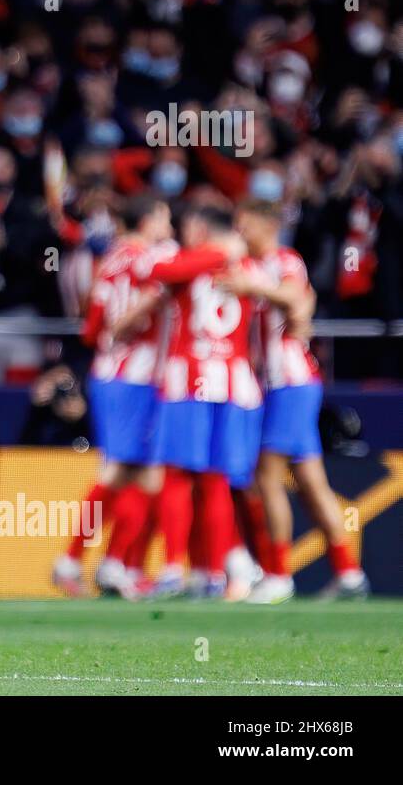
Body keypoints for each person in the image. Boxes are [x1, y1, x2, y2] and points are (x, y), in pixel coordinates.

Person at [225, 200, 369, 602]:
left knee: (266, 476)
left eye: (245, 221)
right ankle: (349, 573)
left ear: (267, 224)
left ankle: (277, 575)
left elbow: (297, 298)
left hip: (289, 381)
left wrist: (263, 291)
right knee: (309, 481)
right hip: (277, 383)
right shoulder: (248, 265)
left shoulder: (283, 260)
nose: (240, 230)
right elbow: (298, 307)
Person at [54, 195, 174, 599]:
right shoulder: (152, 260)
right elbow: (123, 320)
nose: (169, 228)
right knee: (128, 472)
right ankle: (82, 561)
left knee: (135, 473)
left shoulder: (111, 259)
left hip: (108, 374)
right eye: (165, 218)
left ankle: (114, 565)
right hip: (136, 376)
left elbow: (90, 329)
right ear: (151, 218)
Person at [140, 206, 259, 599]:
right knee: (216, 479)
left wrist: (212, 251)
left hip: (189, 378)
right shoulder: (244, 265)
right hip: (231, 380)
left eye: (187, 225)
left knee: (177, 476)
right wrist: (226, 251)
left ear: (201, 227)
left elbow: (159, 271)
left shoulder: (187, 264)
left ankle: (175, 569)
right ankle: (213, 573)